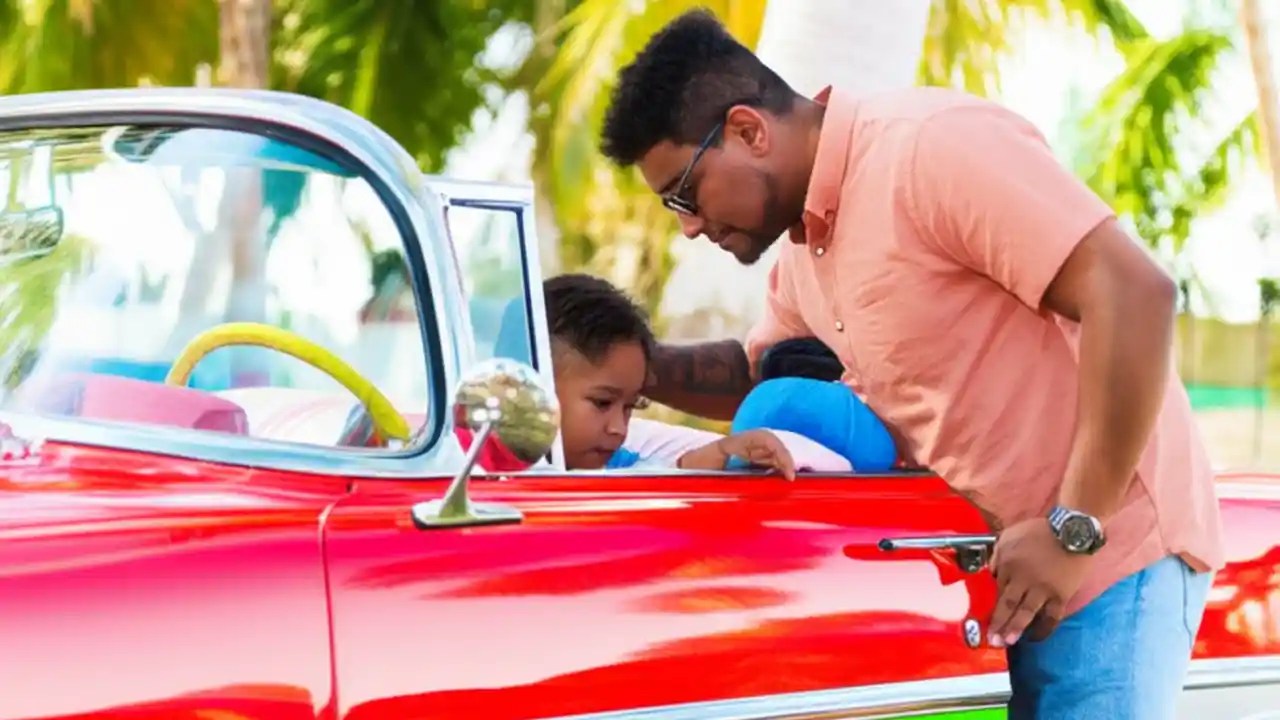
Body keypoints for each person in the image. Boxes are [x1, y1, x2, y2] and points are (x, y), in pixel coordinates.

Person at [598, 9, 1222, 719]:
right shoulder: (806, 244)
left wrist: (1070, 528)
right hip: (994, 578)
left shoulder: (927, 150)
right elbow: (757, 372)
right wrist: (617, 369)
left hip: (1109, 559)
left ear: (748, 130)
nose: (686, 224)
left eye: (684, 192)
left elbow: (1134, 293)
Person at [544, 272, 796, 477]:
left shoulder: (618, 468)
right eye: (602, 403)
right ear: (538, 387)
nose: (619, 429)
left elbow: (667, 472)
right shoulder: (507, 477)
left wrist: (724, 451)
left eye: (629, 407)